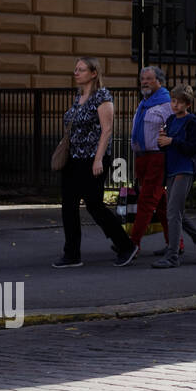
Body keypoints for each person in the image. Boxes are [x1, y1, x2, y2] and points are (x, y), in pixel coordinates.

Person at [54, 57, 133, 267]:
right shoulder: (78, 96)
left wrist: (98, 159)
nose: (76, 73)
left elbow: (107, 130)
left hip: (92, 159)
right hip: (73, 159)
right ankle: (71, 254)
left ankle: (126, 245)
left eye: (81, 69)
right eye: (75, 69)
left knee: (95, 206)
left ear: (93, 73)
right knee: (68, 206)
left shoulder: (102, 96)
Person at [153, 85, 196, 268]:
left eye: (179, 102)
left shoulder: (192, 122)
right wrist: (162, 141)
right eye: (173, 101)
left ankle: (172, 255)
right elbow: (165, 145)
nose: (175, 104)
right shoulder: (171, 120)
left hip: (185, 169)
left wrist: (172, 141)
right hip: (171, 169)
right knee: (177, 212)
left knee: (173, 212)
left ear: (187, 103)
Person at [129, 65, 172, 257]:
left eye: (148, 79)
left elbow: (173, 130)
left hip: (156, 157)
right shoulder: (144, 103)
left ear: (159, 81)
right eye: (142, 79)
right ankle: (175, 243)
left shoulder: (166, 103)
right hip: (142, 157)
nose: (144, 82)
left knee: (146, 200)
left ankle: (132, 244)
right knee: (161, 203)